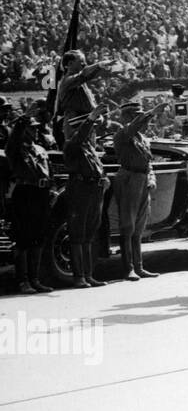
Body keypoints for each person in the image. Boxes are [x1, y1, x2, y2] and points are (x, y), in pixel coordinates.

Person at [112, 100, 163, 281]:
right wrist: (151, 113)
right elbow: (131, 128)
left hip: (142, 180)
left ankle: (139, 267)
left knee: (139, 227)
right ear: (128, 118)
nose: (143, 121)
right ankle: (129, 268)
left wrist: (151, 179)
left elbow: (149, 163)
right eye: (136, 116)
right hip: (129, 179)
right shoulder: (122, 134)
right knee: (127, 226)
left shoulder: (142, 138)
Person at [4, 113, 55, 293]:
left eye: (36, 128)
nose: (35, 131)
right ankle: (23, 281)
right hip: (25, 193)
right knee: (23, 238)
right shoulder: (15, 148)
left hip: (41, 193)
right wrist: (20, 125)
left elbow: (49, 171)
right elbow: (13, 143)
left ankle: (35, 279)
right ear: (23, 130)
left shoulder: (40, 149)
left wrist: (51, 189)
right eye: (31, 128)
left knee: (39, 237)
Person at [63, 104, 110, 288]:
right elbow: (79, 137)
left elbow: (97, 169)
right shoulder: (72, 145)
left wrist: (104, 178)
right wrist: (90, 119)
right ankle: (79, 276)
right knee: (78, 234)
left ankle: (88, 275)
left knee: (90, 233)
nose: (93, 132)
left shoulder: (89, 148)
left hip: (93, 191)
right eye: (91, 129)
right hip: (80, 190)